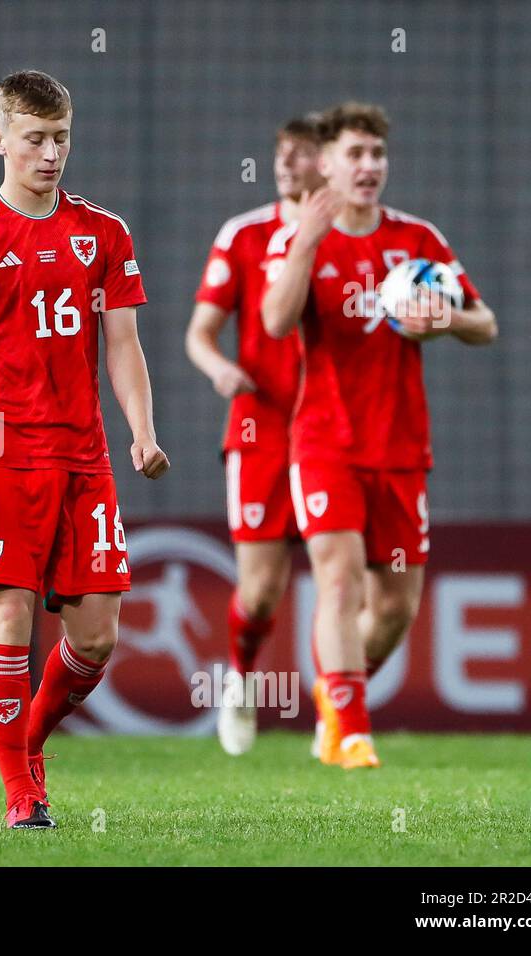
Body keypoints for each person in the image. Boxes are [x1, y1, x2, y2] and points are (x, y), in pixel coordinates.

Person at [0, 71, 169, 827]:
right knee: (10, 621)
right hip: (2, 456)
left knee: (96, 638)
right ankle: (23, 798)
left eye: (61, 138)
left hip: (85, 457)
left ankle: (26, 740)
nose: (51, 153)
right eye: (35, 138)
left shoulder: (104, 232)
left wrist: (142, 430)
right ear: (0, 140)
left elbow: (122, 344)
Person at [261, 102, 497, 768]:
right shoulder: (300, 233)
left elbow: (487, 323)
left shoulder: (417, 240)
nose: (369, 167)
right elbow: (277, 323)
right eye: (356, 154)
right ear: (328, 162)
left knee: (395, 607)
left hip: (400, 447)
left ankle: (336, 697)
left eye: (377, 155)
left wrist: (445, 318)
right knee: (337, 581)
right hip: (324, 444)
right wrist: (305, 242)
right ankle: (353, 730)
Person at [185, 114, 324, 755]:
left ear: (327, 163)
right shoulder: (244, 235)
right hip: (261, 428)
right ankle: (241, 685)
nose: (287, 165)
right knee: (263, 588)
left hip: (339, 431)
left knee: (342, 577)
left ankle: (338, 709)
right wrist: (220, 371)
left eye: (301, 155)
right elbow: (200, 332)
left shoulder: (352, 234)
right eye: (281, 154)